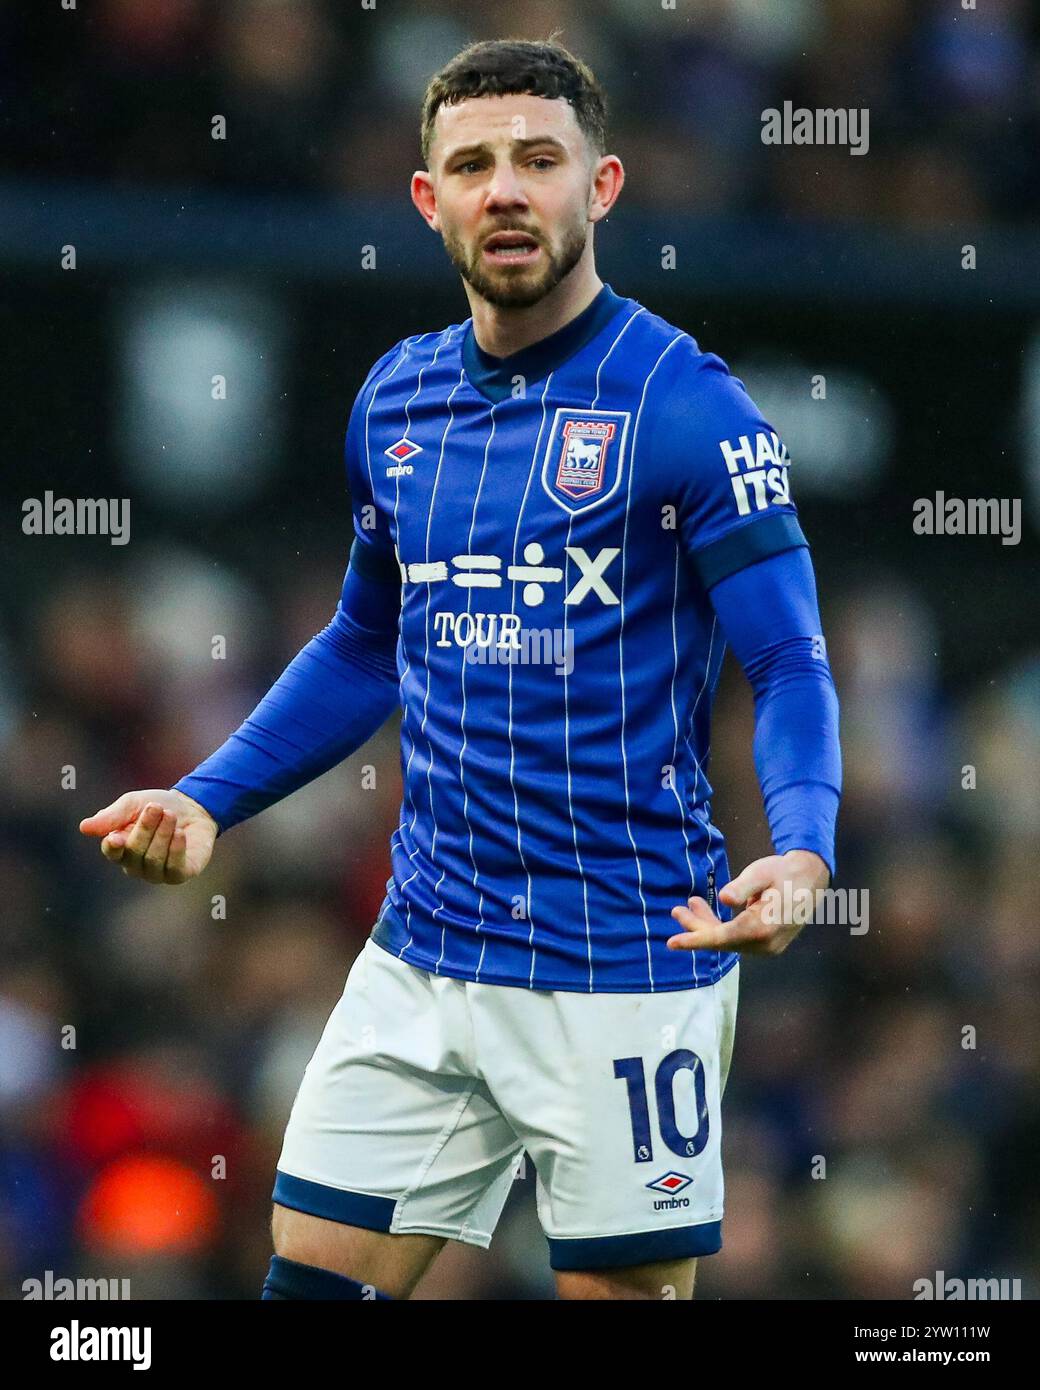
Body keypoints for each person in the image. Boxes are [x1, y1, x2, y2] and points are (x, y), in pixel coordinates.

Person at [80, 37, 841, 1301]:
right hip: (424, 950)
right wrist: (207, 795)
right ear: (427, 198)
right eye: (473, 165)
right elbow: (369, 642)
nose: (506, 190)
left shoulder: (686, 406)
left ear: (599, 187)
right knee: (310, 1283)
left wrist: (804, 847)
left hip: (624, 962)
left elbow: (789, 658)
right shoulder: (397, 400)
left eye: (538, 161)